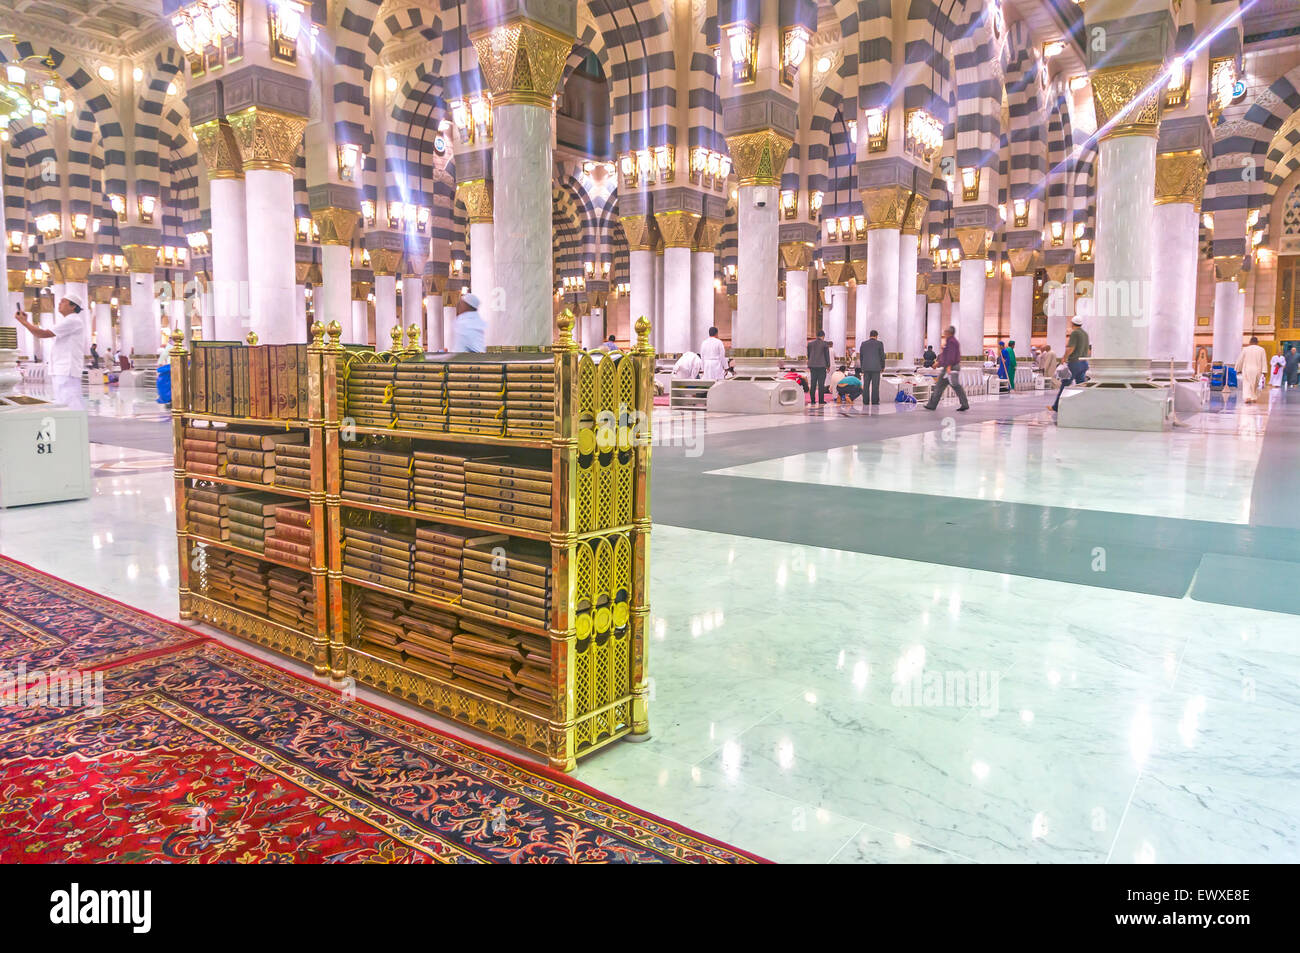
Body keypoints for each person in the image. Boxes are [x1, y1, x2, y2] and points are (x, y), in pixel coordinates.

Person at [14, 295, 86, 409]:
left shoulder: (73, 320)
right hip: (62, 368)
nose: (59, 303)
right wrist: (26, 322)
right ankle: (73, 424)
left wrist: (24, 323)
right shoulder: (69, 320)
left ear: (73, 306)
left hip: (67, 369)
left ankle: (77, 425)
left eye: (63, 302)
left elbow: (43, 334)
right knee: (65, 402)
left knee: (71, 403)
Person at [923, 325, 969, 411]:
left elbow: (951, 356)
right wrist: (938, 364)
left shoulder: (951, 342)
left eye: (945, 331)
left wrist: (948, 367)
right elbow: (946, 356)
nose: (944, 333)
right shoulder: (951, 341)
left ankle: (932, 404)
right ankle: (932, 404)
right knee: (942, 386)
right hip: (950, 367)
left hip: (950, 368)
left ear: (949, 333)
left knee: (953, 385)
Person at [1051, 316, 1090, 413]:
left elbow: (1071, 348)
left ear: (1072, 323)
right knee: (1081, 385)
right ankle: (1084, 405)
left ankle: (1056, 406)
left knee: (1065, 384)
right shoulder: (1085, 334)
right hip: (1084, 362)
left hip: (1075, 363)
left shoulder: (1075, 333)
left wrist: (1064, 358)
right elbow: (1088, 350)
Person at [1236, 336, 1268, 404]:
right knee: (1255, 384)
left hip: (1247, 369)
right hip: (1257, 369)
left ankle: (1247, 397)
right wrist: (1264, 371)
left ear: (1250, 342)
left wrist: (1237, 369)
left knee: (1247, 383)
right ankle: (1253, 397)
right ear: (1257, 342)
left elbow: (1240, 360)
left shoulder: (1245, 349)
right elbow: (1264, 361)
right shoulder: (1261, 349)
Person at [858, 329, 886, 405]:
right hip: (876, 368)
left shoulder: (863, 344)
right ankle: (874, 401)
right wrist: (883, 366)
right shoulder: (879, 343)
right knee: (875, 386)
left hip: (866, 368)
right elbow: (882, 356)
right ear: (876, 336)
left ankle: (865, 401)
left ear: (870, 335)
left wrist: (862, 367)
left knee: (866, 385)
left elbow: (861, 356)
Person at [806, 330, 832, 405]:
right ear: (823, 336)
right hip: (821, 366)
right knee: (821, 384)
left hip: (812, 366)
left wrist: (811, 362)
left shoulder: (810, 344)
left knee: (813, 383)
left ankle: (813, 400)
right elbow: (827, 356)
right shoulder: (824, 344)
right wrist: (828, 366)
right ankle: (821, 400)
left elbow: (808, 355)